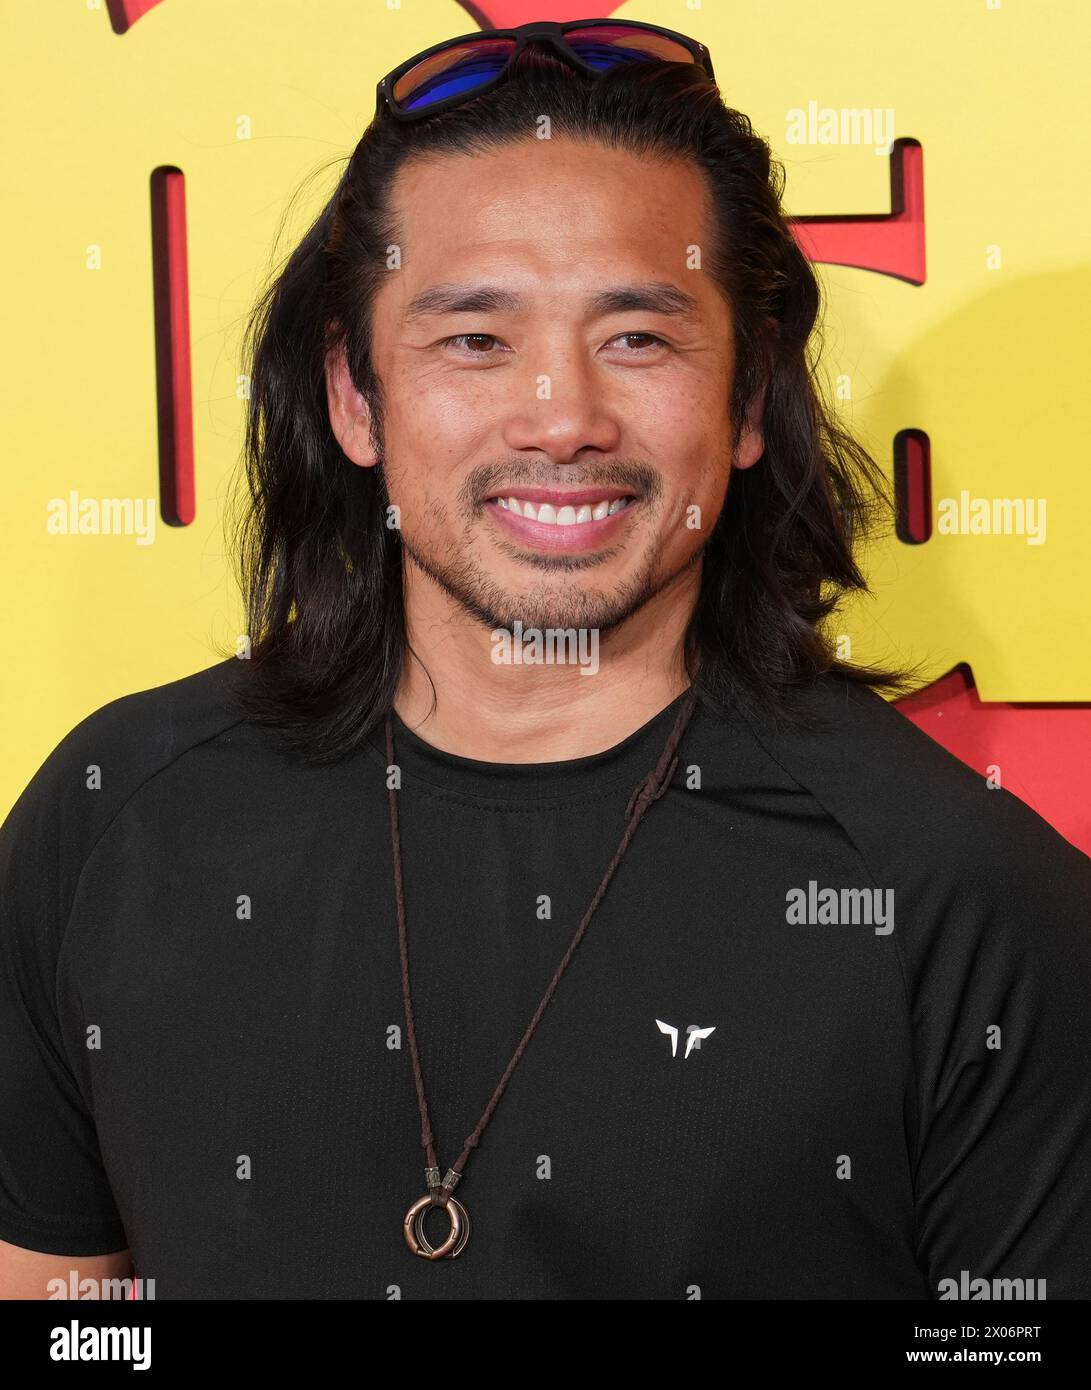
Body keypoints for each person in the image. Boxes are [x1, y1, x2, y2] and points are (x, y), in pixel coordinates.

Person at [2, 19, 1089, 1300]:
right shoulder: (114, 813)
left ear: (745, 405)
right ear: (354, 397)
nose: (562, 417)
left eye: (638, 338)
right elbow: (63, 1318)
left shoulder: (965, 893)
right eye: (474, 339)